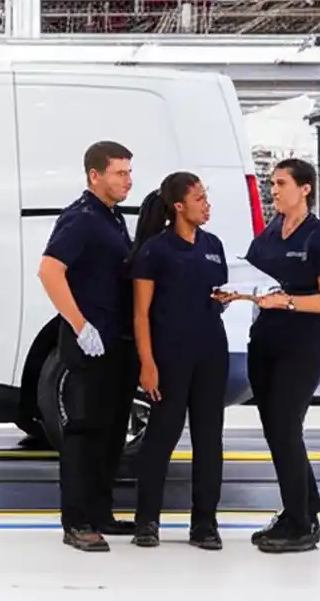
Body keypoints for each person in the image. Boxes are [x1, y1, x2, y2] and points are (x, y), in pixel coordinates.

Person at [219, 158, 320, 554]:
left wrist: (285, 301)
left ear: (305, 188)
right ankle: (303, 509)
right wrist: (234, 292)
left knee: (286, 429)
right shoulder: (270, 232)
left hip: (301, 347)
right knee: (277, 432)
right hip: (265, 343)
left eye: (281, 183)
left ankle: (300, 524)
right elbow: (254, 278)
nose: (274, 190)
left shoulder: (319, 239)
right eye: (272, 183)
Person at [38, 140, 140, 552]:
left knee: (113, 431)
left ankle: (100, 512)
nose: (127, 180)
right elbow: (49, 271)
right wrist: (80, 325)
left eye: (130, 172)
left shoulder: (112, 218)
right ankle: (76, 522)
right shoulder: (80, 218)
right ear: (94, 175)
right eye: (119, 173)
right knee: (84, 432)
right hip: (90, 344)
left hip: (116, 343)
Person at [127, 172, 229, 551]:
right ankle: (147, 520)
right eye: (199, 198)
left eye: (206, 197)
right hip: (170, 356)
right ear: (179, 206)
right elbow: (141, 313)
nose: (207, 204)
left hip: (210, 353)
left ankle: (204, 522)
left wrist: (223, 298)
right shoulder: (156, 250)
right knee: (161, 437)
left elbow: (209, 291)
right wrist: (147, 362)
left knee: (209, 439)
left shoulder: (213, 245)